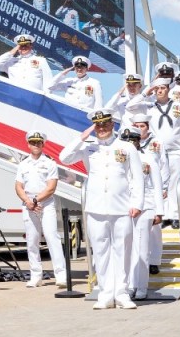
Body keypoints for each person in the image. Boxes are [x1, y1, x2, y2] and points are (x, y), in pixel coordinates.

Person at [60, 110, 144, 309]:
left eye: (105, 124)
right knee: (100, 250)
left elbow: (137, 177)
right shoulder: (89, 148)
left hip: (121, 206)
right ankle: (105, 293)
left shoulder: (126, 147)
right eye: (98, 125)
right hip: (96, 206)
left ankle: (122, 293)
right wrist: (82, 136)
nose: (102, 128)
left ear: (112, 124)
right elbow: (64, 158)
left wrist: (136, 203)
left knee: (122, 250)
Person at [15, 131, 67, 288]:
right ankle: (36, 275)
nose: (35, 145)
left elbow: (51, 187)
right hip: (29, 204)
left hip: (46, 203)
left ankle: (61, 275)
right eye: (33, 142)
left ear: (43, 144)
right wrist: (27, 201)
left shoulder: (50, 163)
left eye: (38, 142)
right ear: (28, 144)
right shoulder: (23, 164)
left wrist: (36, 200)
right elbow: (18, 186)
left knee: (52, 238)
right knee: (32, 241)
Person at [124, 119, 164, 300]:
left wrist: (159, 211)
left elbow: (157, 185)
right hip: (124, 207)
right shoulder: (119, 160)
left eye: (133, 141)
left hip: (146, 207)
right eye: (127, 142)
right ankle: (129, 285)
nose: (130, 145)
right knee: (126, 249)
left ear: (138, 141)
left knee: (141, 249)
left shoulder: (148, 158)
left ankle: (141, 287)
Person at [146, 77, 180, 227]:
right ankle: (162, 214)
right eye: (157, 88)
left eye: (163, 88)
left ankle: (174, 215)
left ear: (169, 89)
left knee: (175, 183)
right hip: (157, 151)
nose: (160, 91)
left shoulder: (178, 107)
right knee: (159, 183)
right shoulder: (149, 109)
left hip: (176, 150)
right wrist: (146, 92)